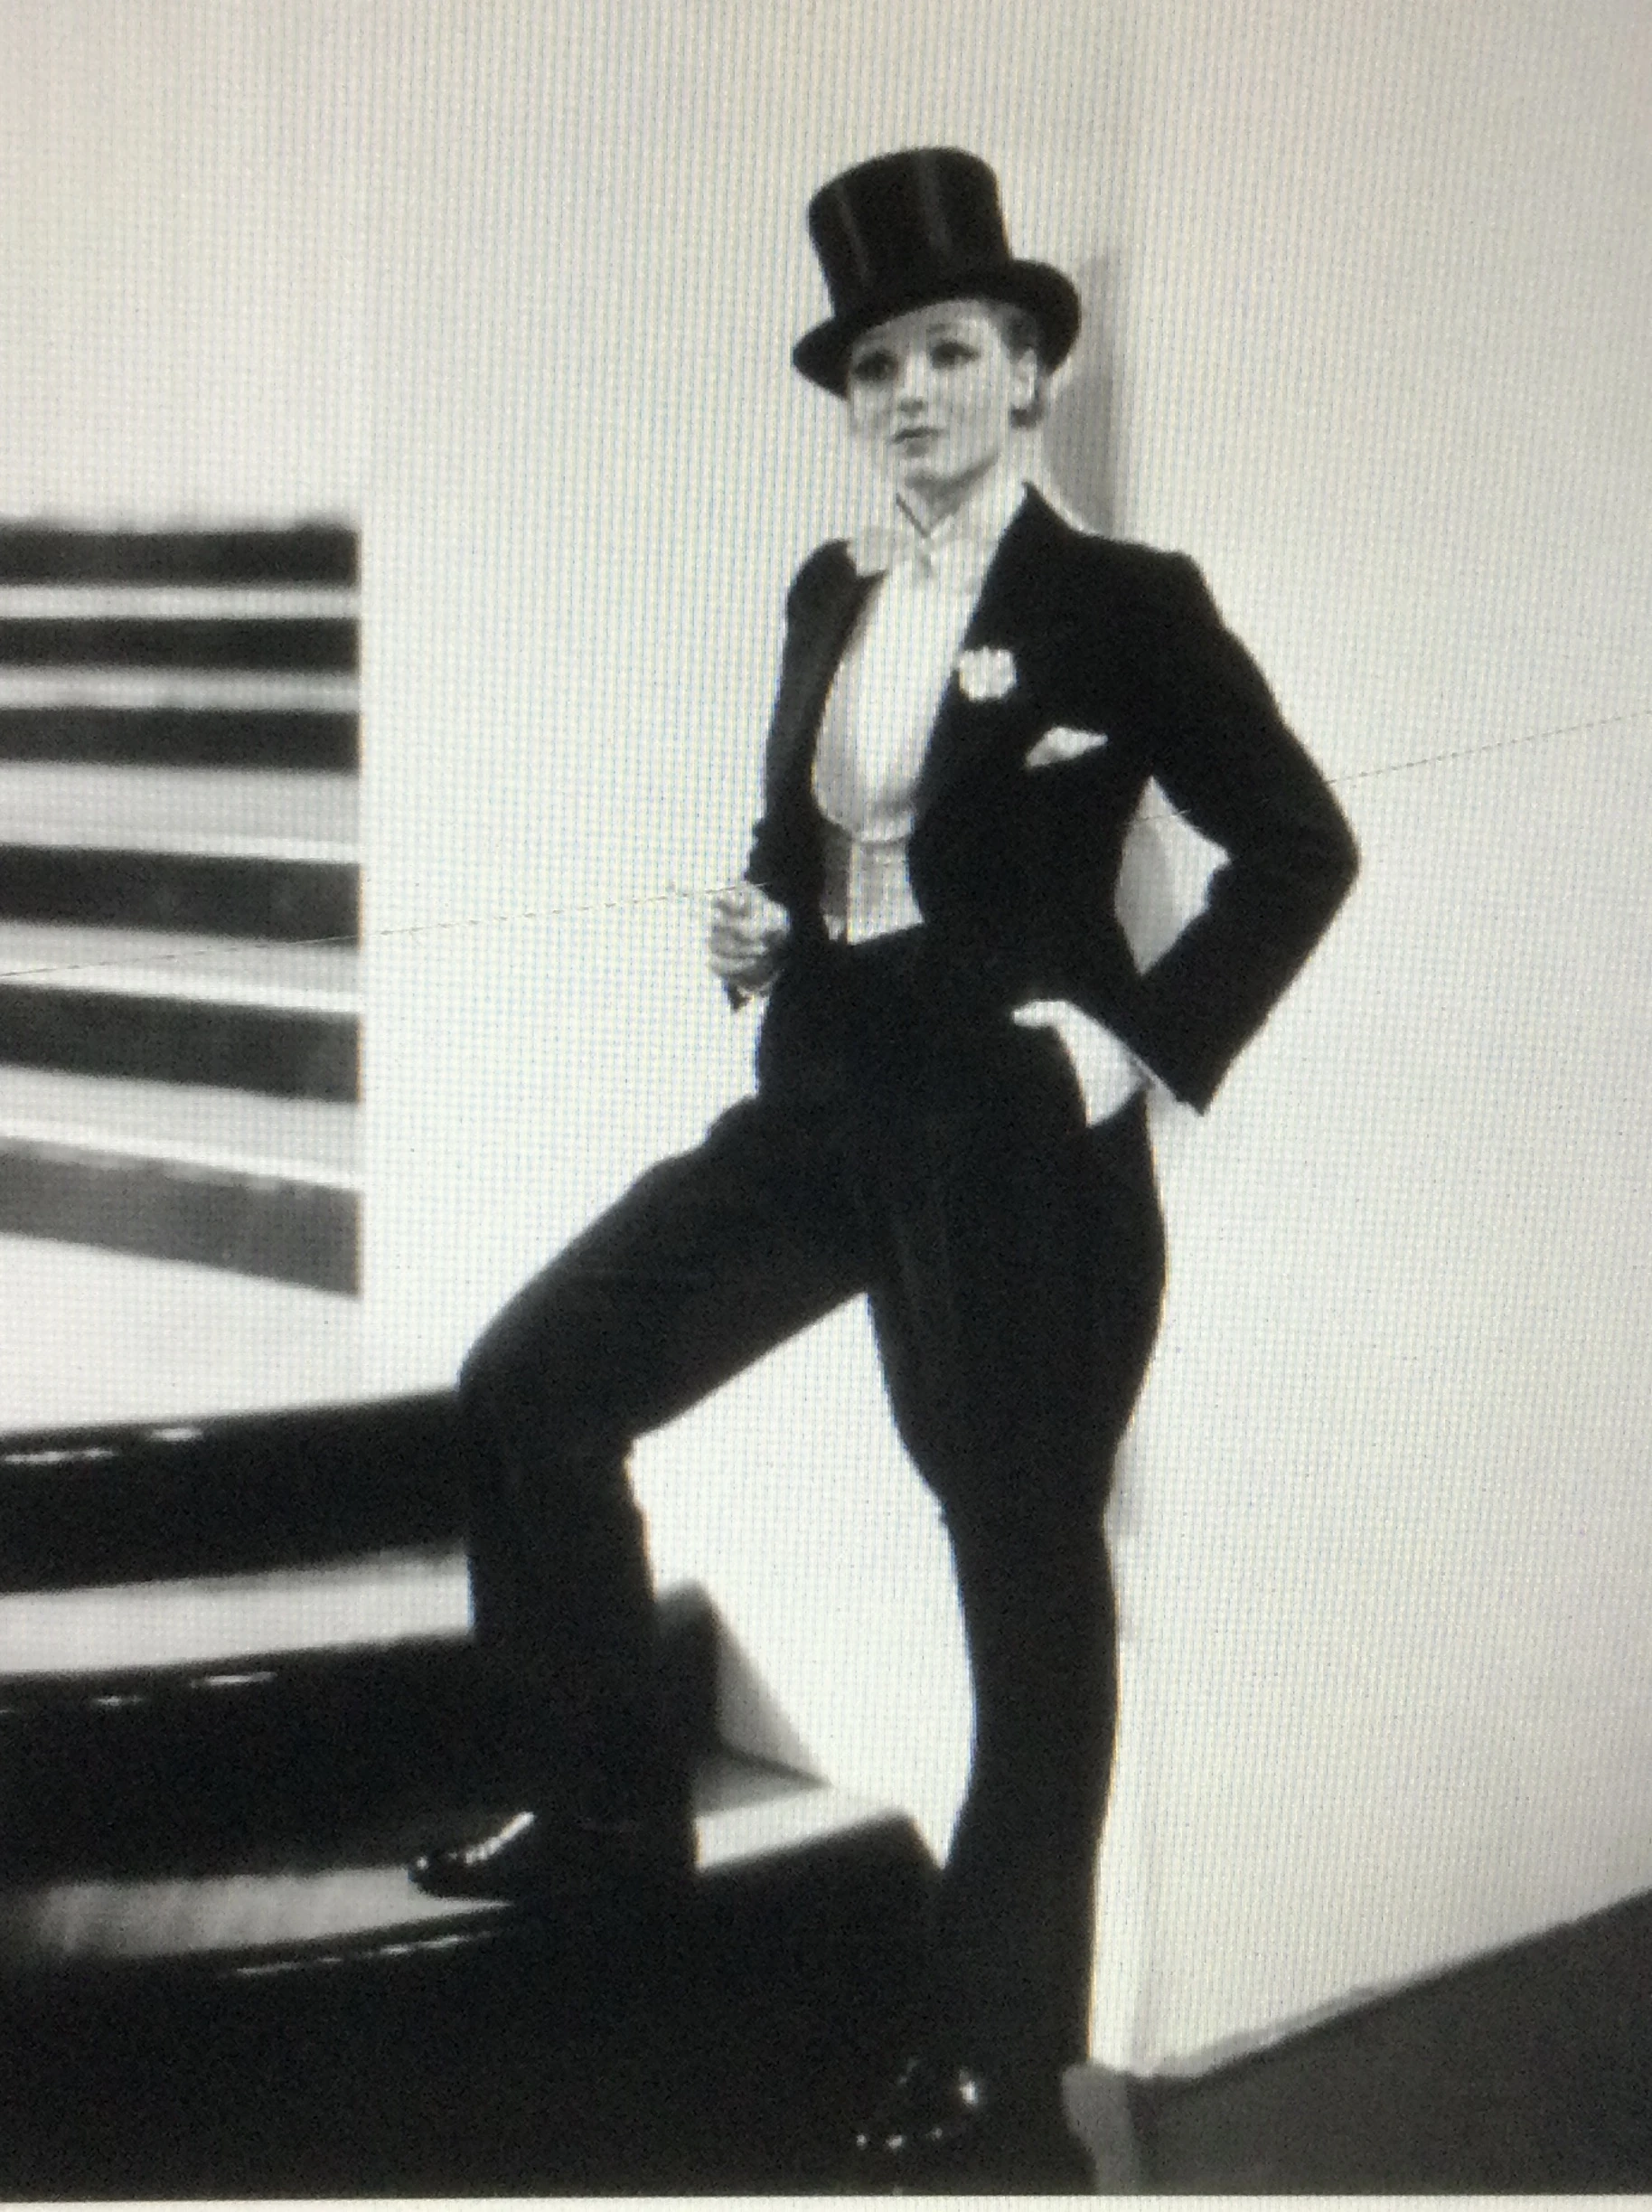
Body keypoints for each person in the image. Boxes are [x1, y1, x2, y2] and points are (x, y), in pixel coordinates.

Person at [409, 147, 1358, 2189]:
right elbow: (810, 835)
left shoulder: (1124, 605)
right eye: (874, 369)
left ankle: (1000, 2054)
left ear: (1025, 373)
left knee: (1018, 1564)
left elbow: (1301, 846)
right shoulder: (827, 592)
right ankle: (604, 1813)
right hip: (830, 1092)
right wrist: (762, 919)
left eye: (945, 354)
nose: (908, 393)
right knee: (531, 1382)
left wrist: (1128, 1044)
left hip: (1015, 1133)